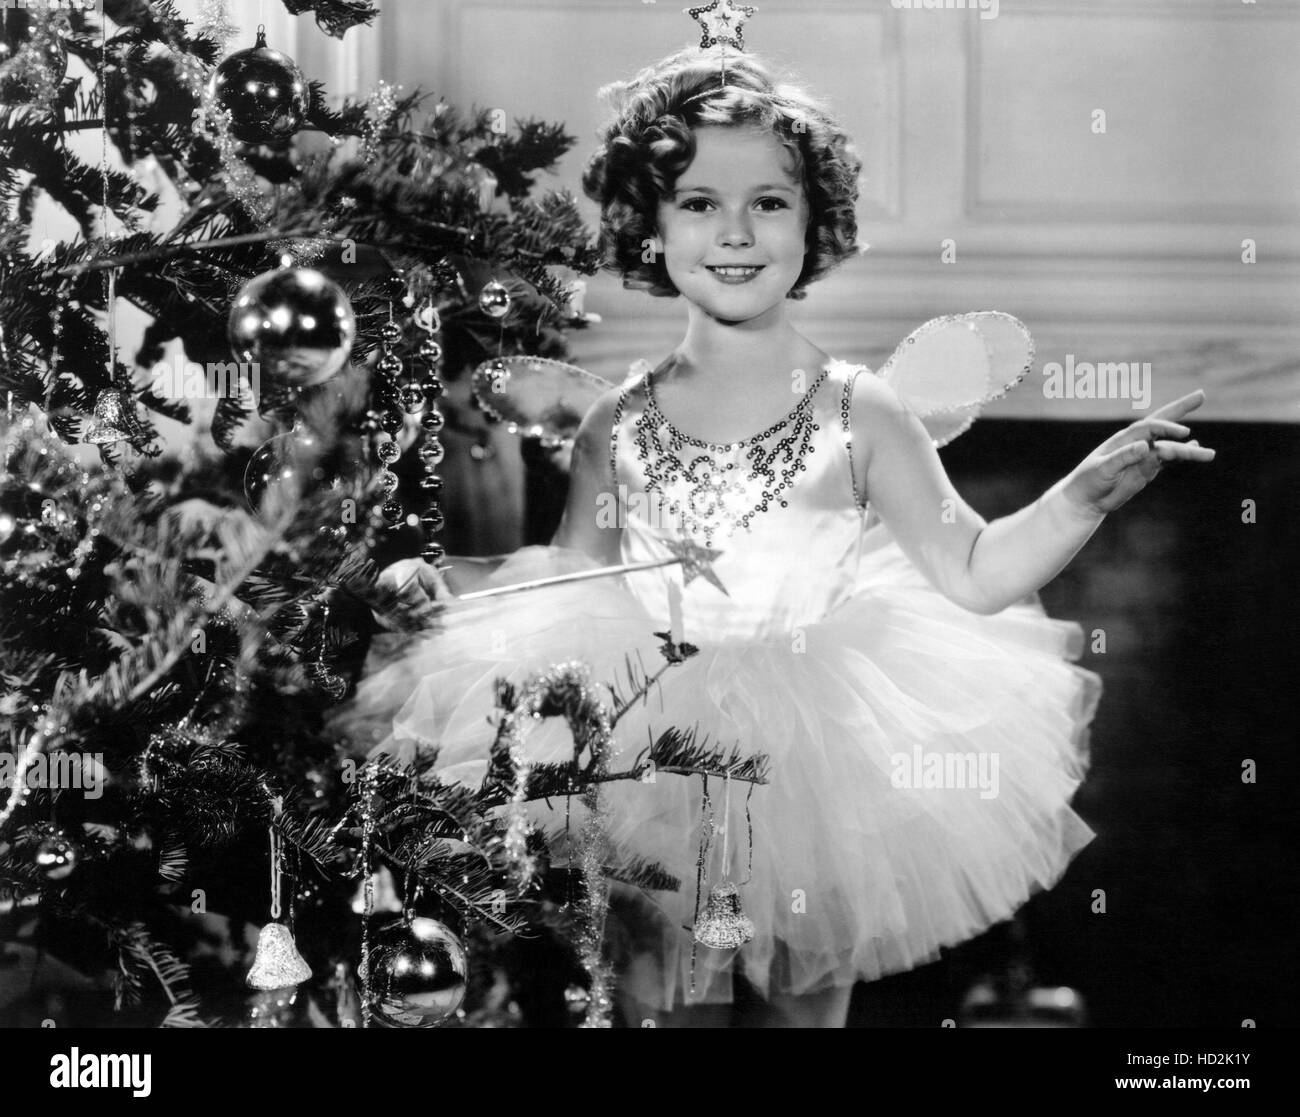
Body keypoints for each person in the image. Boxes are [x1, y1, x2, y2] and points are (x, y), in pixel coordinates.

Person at [339, 46, 1214, 1028]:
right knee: (652, 1006)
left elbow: (970, 572)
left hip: (816, 755)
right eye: (699, 203)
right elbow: (570, 581)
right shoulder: (615, 422)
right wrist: (439, 585)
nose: (735, 233)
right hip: (646, 755)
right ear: (649, 223)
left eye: (768, 202)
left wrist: (1081, 496)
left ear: (812, 222)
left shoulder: (860, 411)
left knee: (802, 1008)